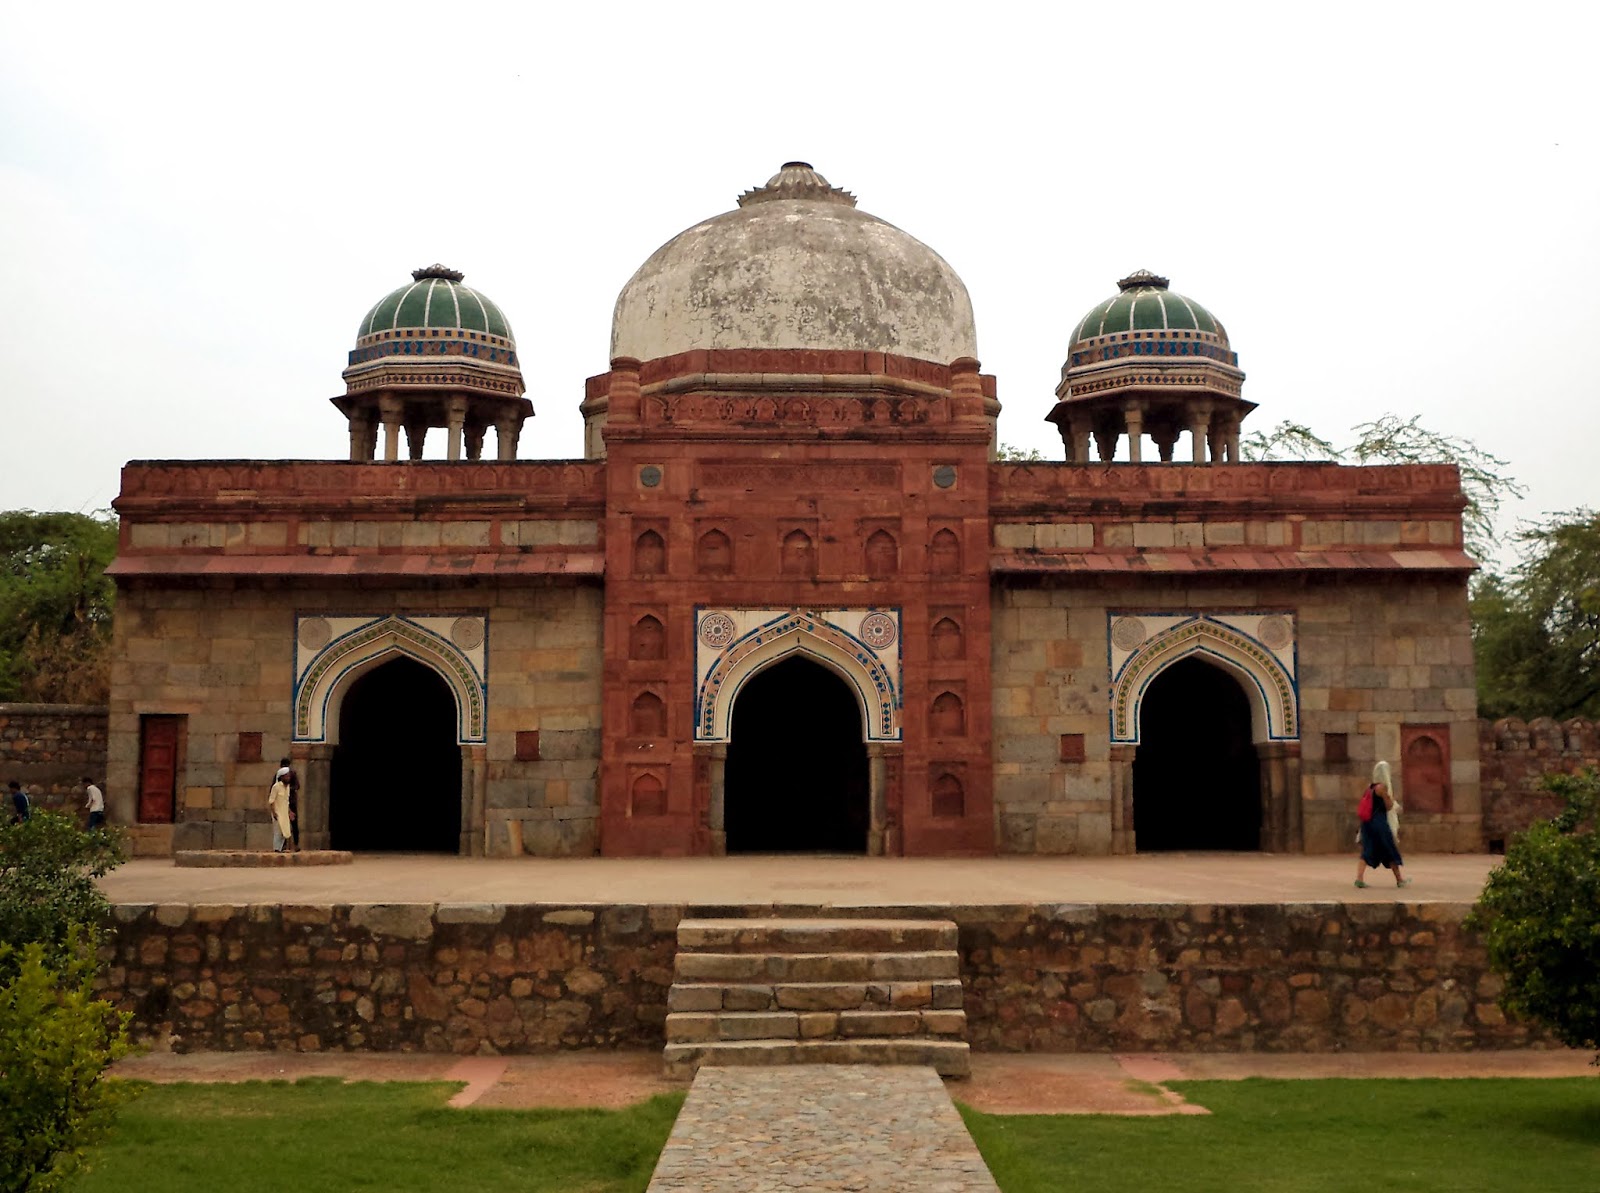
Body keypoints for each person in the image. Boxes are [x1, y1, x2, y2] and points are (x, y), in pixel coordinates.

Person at [1355, 760, 1410, 888]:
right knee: (1389, 849)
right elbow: (1389, 806)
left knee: (1367, 850)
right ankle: (1399, 880)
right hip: (1379, 824)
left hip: (1367, 824)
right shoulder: (1382, 788)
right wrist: (1389, 797)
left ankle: (1359, 879)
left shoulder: (1369, 788)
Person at [268, 768, 294, 853]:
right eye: (286, 776)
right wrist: (274, 813)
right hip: (277, 812)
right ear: (282, 777)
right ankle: (276, 849)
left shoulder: (288, 787)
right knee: (278, 831)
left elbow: (286, 801)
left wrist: (290, 812)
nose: (288, 778)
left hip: (284, 813)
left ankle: (280, 848)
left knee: (284, 831)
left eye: (289, 776)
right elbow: (271, 801)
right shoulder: (276, 787)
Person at [277, 758, 301, 850]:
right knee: (283, 824)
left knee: (294, 823)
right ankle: (283, 845)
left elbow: (297, 786)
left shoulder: (292, 775)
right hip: (281, 802)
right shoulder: (278, 775)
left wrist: (288, 788)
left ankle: (296, 844)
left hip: (291, 801)